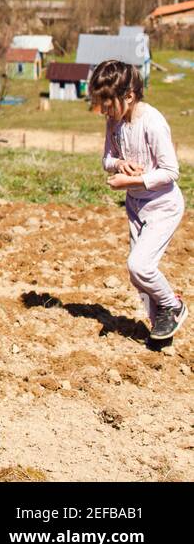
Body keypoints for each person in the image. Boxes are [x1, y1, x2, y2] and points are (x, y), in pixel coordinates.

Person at [90, 59, 187, 341]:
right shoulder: (114, 122)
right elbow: (106, 159)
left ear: (128, 96)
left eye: (107, 104)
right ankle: (161, 328)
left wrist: (130, 181)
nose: (103, 111)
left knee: (139, 266)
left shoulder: (152, 123)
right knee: (137, 276)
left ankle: (173, 305)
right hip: (136, 206)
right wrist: (119, 164)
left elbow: (171, 171)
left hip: (163, 207)